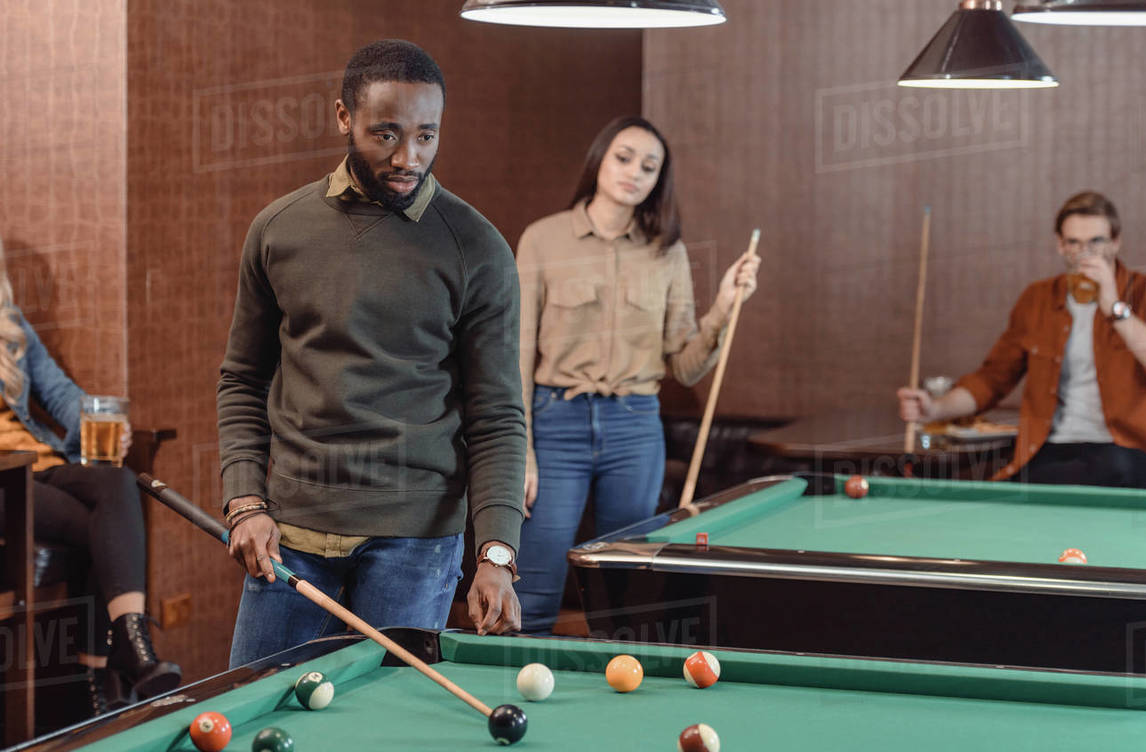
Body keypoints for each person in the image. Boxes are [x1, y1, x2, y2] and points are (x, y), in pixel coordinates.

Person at [217, 40, 525, 668]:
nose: (408, 156)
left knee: (389, 746)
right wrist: (244, 501)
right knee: (256, 721)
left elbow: (496, 414)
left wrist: (496, 553)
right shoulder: (278, 230)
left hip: (415, 541)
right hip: (289, 537)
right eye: (386, 134)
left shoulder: (477, 246)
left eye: (426, 135)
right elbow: (243, 381)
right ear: (343, 118)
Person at [516, 116, 761, 634]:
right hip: (555, 423)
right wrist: (523, 452)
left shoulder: (665, 252)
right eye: (624, 158)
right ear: (599, 160)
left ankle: (620, 690)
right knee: (535, 583)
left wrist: (723, 305)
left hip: (634, 426)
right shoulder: (543, 239)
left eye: (649, 167)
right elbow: (514, 354)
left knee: (626, 583)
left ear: (657, 182)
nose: (634, 173)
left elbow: (686, 365)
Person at [898, 191, 1146, 489]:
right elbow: (992, 380)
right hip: (1050, 449)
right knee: (1025, 482)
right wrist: (935, 409)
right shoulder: (1037, 299)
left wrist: (1115, 307)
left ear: (1116, 242)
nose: (1085, 253)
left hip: (1128, 450)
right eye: (1074, 243)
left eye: (1096, 242)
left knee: (1114, 469)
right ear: (1060, 245)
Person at [0, 238, 180, 715]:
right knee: (106, 532)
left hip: (41, 466)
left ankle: (125, 649)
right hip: (4, 484)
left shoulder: (9, 323)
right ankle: (108, 670)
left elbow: (62, 395)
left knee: (115, 482)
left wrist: (104, 425)